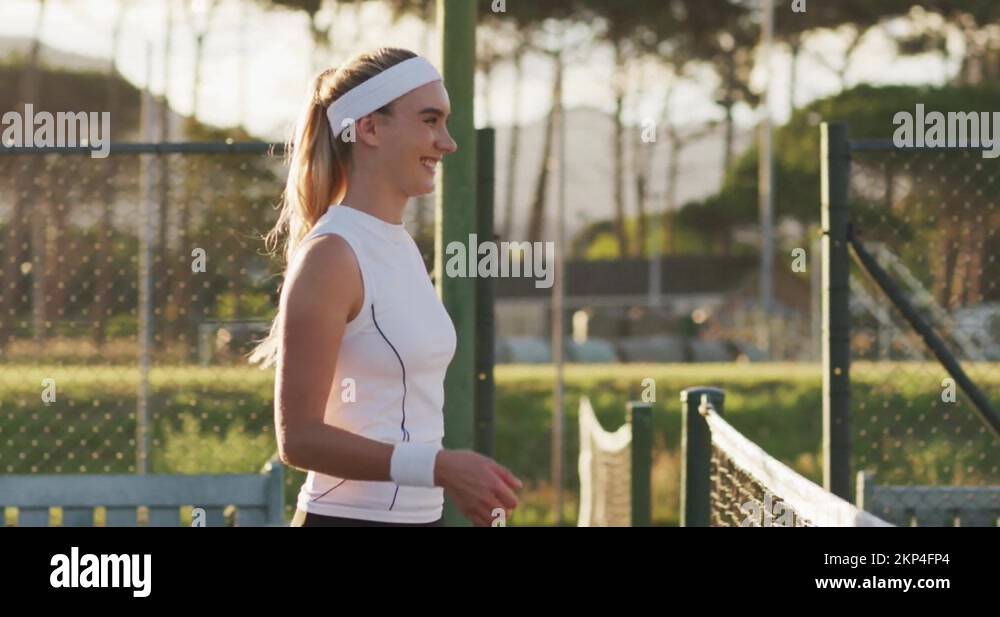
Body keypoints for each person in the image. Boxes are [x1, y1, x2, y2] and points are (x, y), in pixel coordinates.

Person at [249, 47, 521, 527]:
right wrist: (438, 467)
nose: (447, 142)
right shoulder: (331, 255)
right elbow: (299, 438)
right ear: (369, 129)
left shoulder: (399, 247)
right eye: (430, 120)